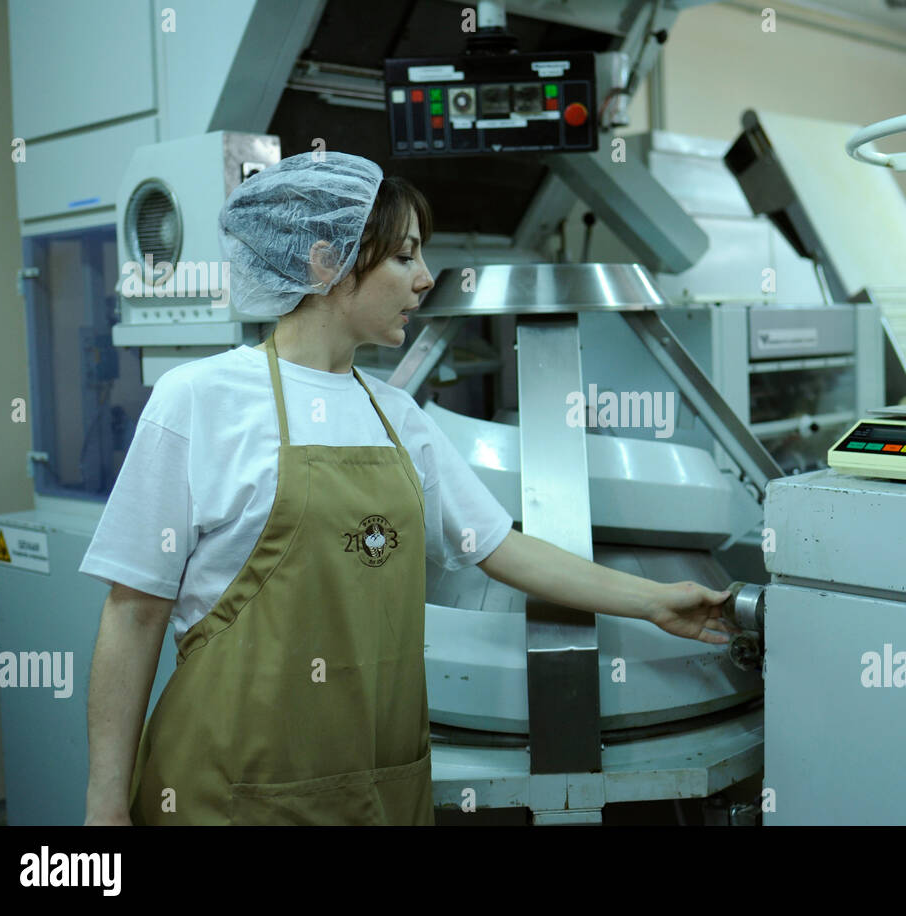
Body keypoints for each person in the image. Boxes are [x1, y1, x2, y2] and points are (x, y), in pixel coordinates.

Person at [80, 151, 736, 826]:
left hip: (375, 788)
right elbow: (133, 614)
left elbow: (505, 551)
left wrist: (657, 601)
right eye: (404, 257)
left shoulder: (398, 418)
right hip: (226, 791)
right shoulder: (200, 400)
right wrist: (105, 803)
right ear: (324, 261)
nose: (424, 280)